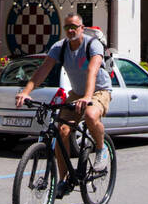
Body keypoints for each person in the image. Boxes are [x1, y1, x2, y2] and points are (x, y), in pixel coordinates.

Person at [15, 13, 112, 187]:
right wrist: (26, 91)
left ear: (82, 28)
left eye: (74, 26)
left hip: (99, 91)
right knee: (62, 131)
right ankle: (65, 179)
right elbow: (43, 70)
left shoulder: (92, 44)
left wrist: (88, 96)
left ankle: (101, 148)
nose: (71, 30)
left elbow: (93, 70)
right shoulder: (60, 47)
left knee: (90, 115)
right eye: (67, 27)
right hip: (77, 93)